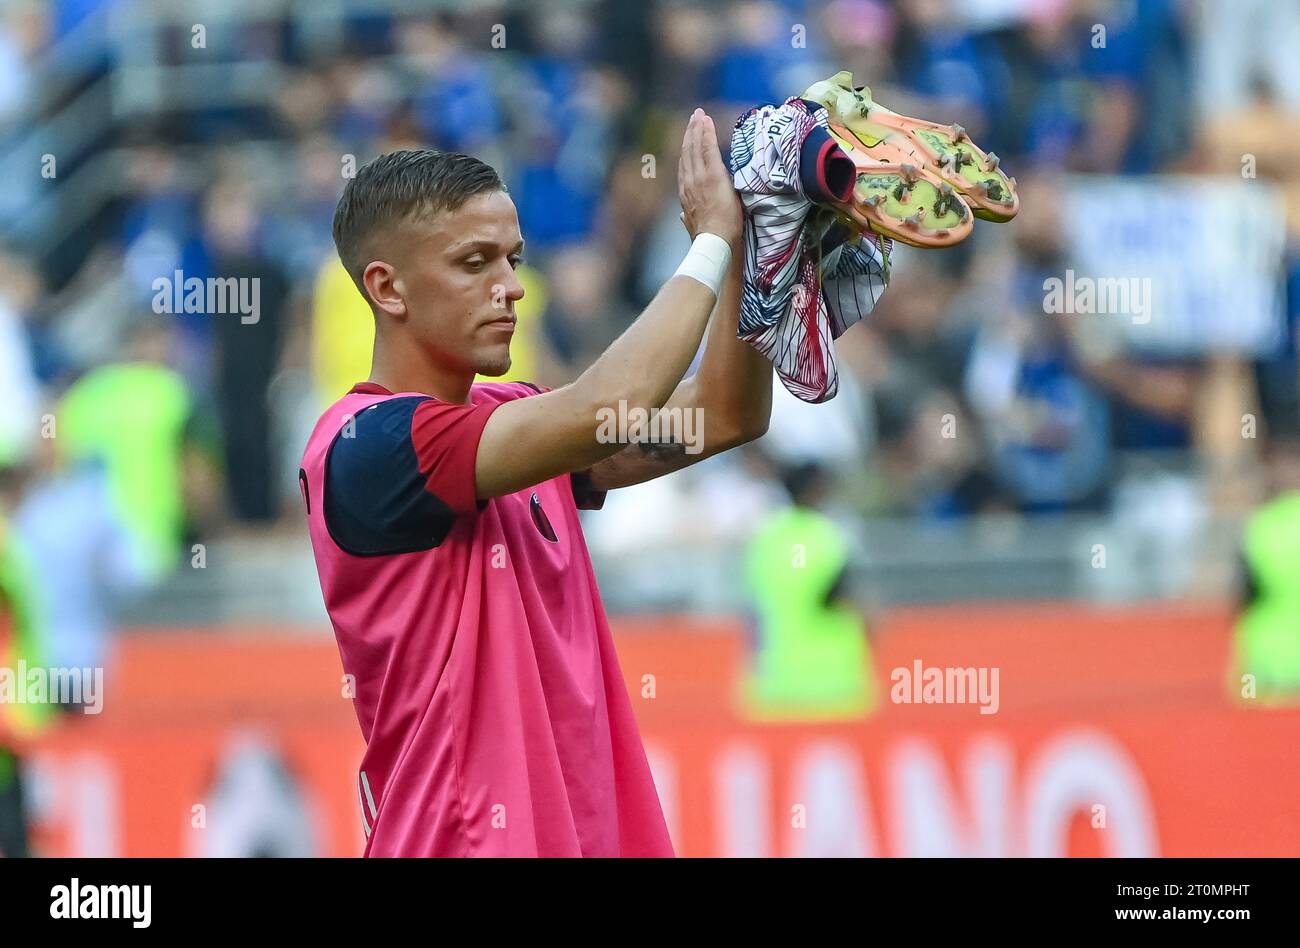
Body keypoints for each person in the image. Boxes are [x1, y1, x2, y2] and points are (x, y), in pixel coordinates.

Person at [300, 111, 772, 857]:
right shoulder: (366, 445)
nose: (511, 288)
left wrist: (761, 257)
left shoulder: (519, 422)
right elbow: (598, 410)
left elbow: (723, 414)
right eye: (474, 262)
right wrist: (711, 242)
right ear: (387, 289)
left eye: (514, 260)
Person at [740, 460, 875, 721]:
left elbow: (754, 607)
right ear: (818, 490)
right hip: (832, 686)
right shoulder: (829, 537)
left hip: (774, 688)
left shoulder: (765, 539)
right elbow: (848, 598)